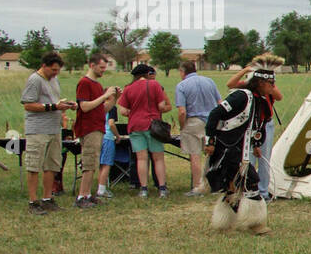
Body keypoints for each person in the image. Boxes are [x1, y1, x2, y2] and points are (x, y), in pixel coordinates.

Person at [204, 54, 279, 234]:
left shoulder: (259, 101)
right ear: (260, 83)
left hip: (241, 149)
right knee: (251, 182)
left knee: (233, 186)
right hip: (228, 149)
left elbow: (253, 127)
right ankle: (254, 224)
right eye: (270, 84)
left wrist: (256, 145)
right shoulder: (241, 96)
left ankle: (223, 224)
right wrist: (210, 141)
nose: (272, 88)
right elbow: (215, 114)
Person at [19, 52, 76, 215]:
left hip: (54, 128)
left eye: (57, 70)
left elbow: (54, 101)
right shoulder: (35, 80)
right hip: (38, 129)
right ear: (44, 66)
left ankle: (47, 198)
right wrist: (53, 107)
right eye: (52, 70)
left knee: (52, 164)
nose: (55, 73)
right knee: (34, 165)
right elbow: (28, 105)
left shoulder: (54, 80)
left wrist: (66, 105)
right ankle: (33, 201)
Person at [227, 59, 283, 199]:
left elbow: (278, 96)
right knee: (249, 158)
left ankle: (263, 192)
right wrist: (246, 71)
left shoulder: (267, 87)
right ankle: (248, 189)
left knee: (264, 158)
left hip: (265, 124)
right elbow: (231, 84)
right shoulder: (249, 87)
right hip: (250, 125)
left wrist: (269, 82)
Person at [118, 64, 172, 197]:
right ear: (147, 74)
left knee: (141, 159)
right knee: (158, 158)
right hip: (153, 126)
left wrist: (135, 112)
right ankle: (162, 188)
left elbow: (123, 111)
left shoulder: (128, 88)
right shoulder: (154, 85)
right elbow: (161, 106)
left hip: (135, 126)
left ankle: (143, 189)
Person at [72, 52, 119, 209]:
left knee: (93, 163)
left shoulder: (97, 85)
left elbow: (102, 109)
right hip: (88, 128)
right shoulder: (84, 83)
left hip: (98, 127)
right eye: (101, 67)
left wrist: (114, 98)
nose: (103, 71)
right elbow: (84, 107)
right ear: (92, 65)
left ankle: (88, 195)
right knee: (89, 162)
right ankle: (81, 196)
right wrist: (104, 95)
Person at [175, 61, 222, 195]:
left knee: (195, 156)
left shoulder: (181, 86)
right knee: (211, 155)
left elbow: (182, 111)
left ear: (183, 71)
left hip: (193, 122)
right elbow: (220, 103)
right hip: (212, 122)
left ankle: (198, 187)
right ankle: (213, 185)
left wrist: (182, 126)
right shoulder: (209, 81)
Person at [96, 105, 126, 199]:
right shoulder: (112, 108)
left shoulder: (98, 106)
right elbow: (111, 123)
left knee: (101, 165)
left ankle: (100, 186)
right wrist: (117, 136)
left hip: (98, 136)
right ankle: (101, 190)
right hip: (108, 137)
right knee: (106, 165)